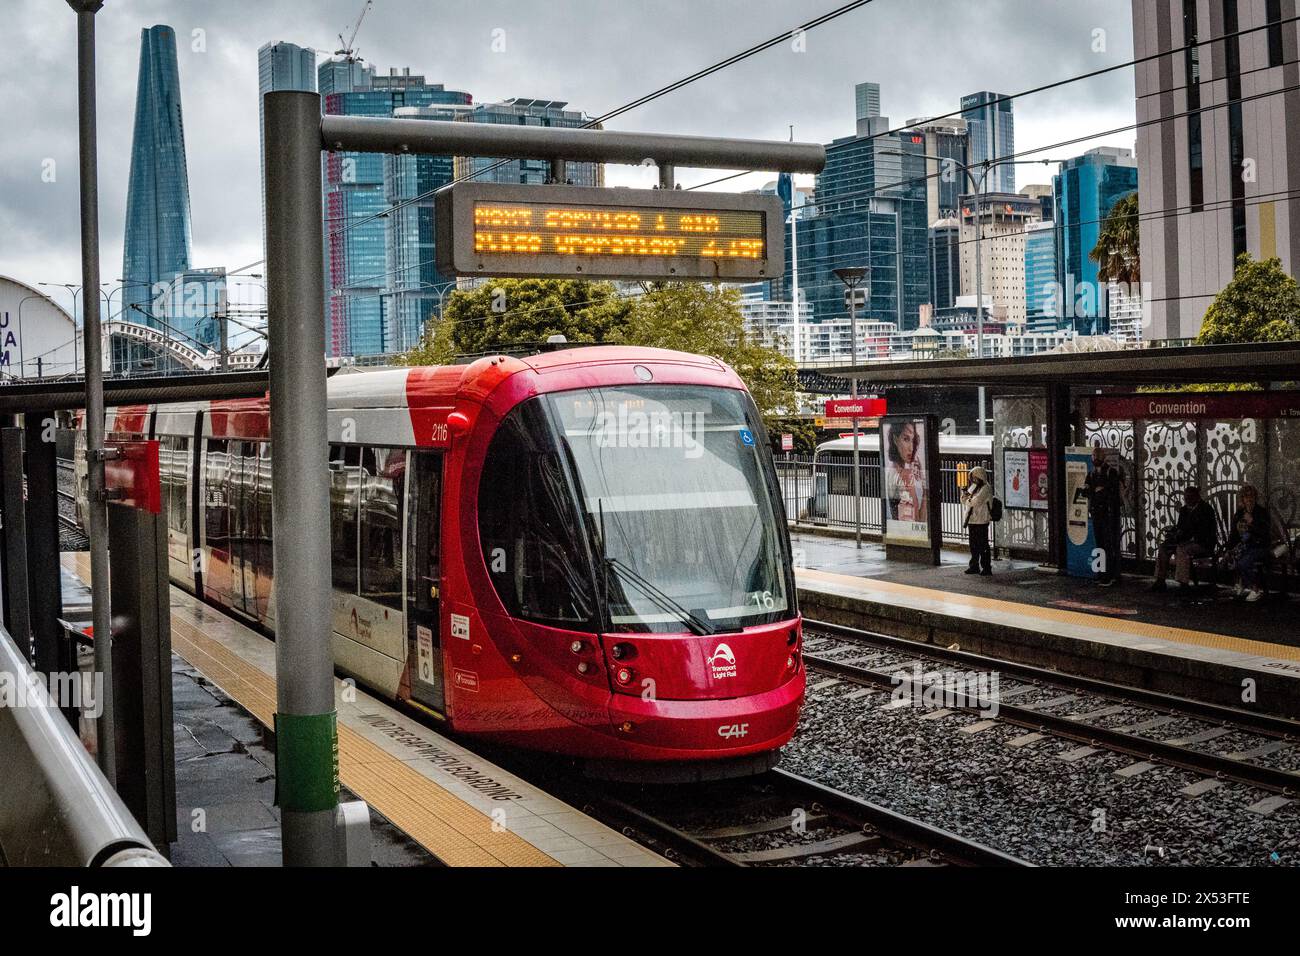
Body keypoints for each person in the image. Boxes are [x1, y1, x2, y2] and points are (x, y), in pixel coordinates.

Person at [1150, 486, 1217, 591]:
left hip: (1202, 542)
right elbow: (1181, 528)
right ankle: (1160, 580)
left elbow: (1204, 532)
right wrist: (1175, 534)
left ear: (1197, 497)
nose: (1187, 500)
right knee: (1164, 547)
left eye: (1190, 498)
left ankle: (1183, 583)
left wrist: (1185, 536)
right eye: (1185, 498)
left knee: (1182, 549)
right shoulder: (1184, 510)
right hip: (1186, 540)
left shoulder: (1206, 509)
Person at [1084, 446, 1124, 587]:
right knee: (1100, 544)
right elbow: (1086, 491)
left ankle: (1110, 574)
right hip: (1097, 513)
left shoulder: (1110, 473)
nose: (1096, 459)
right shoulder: (1091, 474)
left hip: (1108, 513)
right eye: (1094, 456)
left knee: (1109, 544)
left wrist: (1099, 491)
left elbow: (1112, 493)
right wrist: (1094, 491)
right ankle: (1102, 574)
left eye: (1098, 456)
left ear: (1104, 457)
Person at [1226, 484, 1272, 602]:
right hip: (1245, 546)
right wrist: (1229, 549)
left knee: (1243, 562)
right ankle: (1241, 583)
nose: (1249, 499)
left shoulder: (1261, 512)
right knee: (1231, 559)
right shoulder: (1240, 513)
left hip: (1260, 546)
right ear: (1242, 499)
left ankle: (1255, 589)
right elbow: (1234, 534)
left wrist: (1252, 521)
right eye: (1246, 496)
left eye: (1251, 496)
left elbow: (1265, 533)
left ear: (1255, 497)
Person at [885, 421, 927, 523]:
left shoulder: (900, 471)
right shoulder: (900, 476)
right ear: (895, 439)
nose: (911, 448)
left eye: (912, 440)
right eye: (906, 439)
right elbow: (918, 521)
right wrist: (925, 490)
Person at [961, 465, 993, 576]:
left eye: (975, 478)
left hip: (981, 520)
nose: (973, 480)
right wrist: (965, 497)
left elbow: (976, 501)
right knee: (973, 545)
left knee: (983, 545)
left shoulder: (986, 488)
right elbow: (964, 500)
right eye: (972, 478)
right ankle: (974, 566)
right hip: (972, 520)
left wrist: (968, 500)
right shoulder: (974, 487)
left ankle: (986, 567)